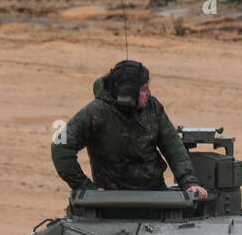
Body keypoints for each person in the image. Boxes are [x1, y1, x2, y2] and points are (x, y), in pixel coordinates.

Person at [51, 59, 208, 199]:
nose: (149, 94)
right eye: (144, 89)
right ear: (129, 94)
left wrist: (189, 182)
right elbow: (61, 146)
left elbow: (173, 146)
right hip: (111, 201)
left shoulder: (153, 108)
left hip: (154, 197)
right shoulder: (97, 112)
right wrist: (84, 186)